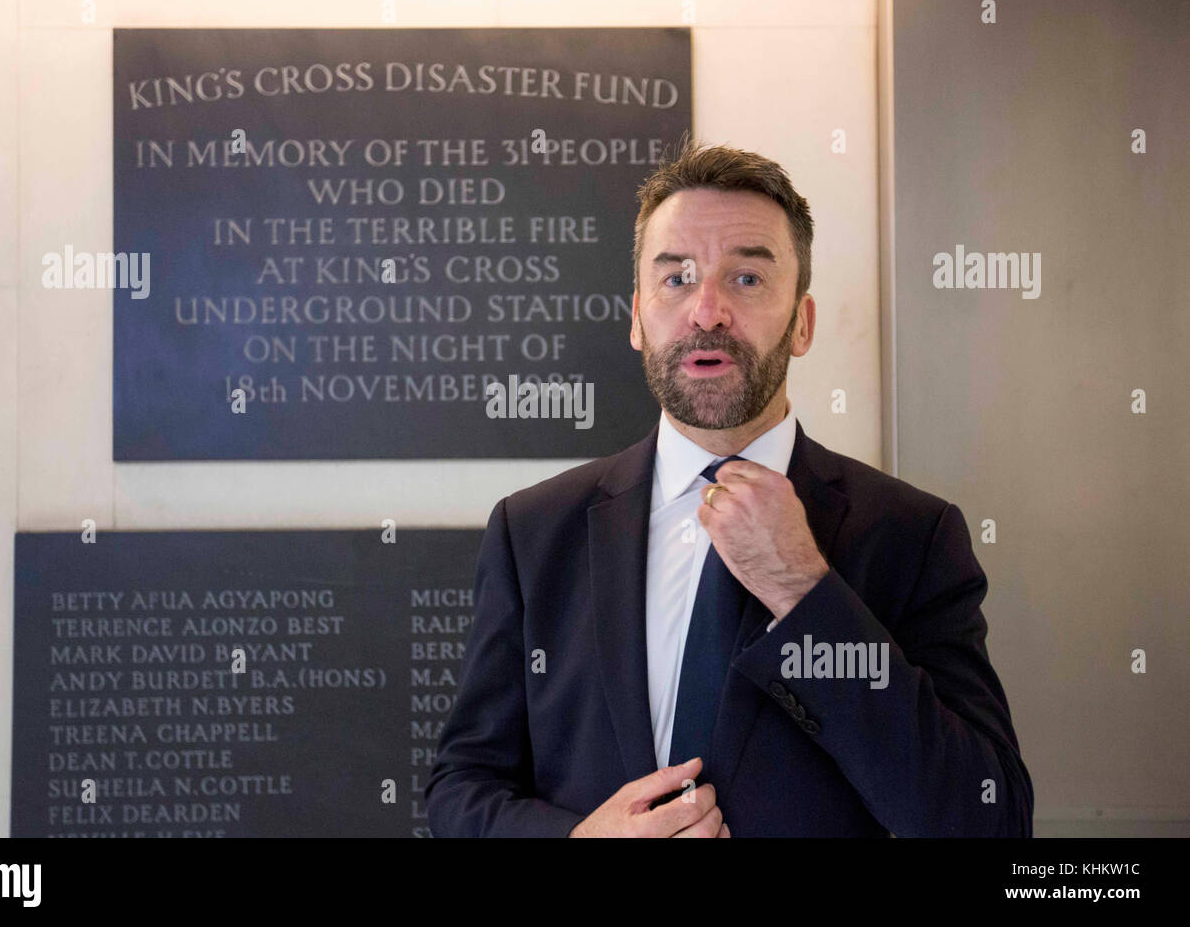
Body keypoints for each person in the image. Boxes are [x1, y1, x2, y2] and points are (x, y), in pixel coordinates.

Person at [424, 140, 1033, 837]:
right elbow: (461, 788)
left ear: (802, 324)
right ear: (636, 318)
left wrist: (806, 593)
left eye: (746, 279)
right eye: (676, 279)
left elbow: (990, 819)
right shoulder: (533, 532)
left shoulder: (913, 538)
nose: (707, 311)